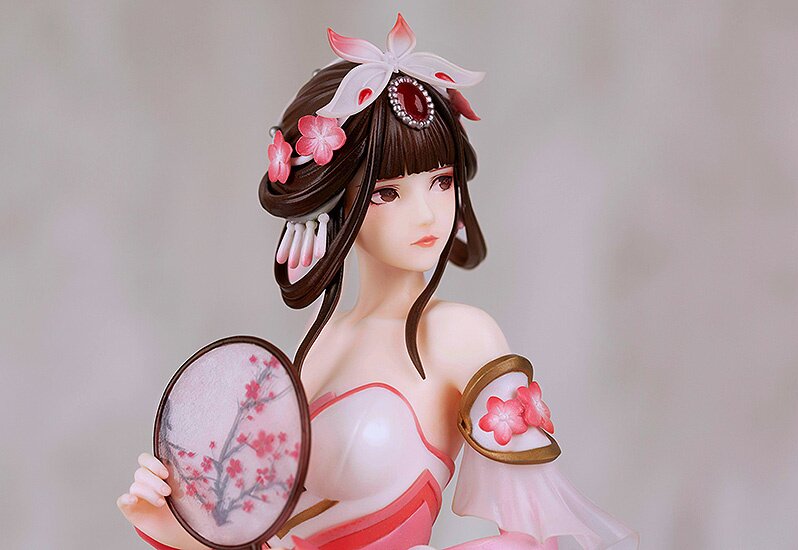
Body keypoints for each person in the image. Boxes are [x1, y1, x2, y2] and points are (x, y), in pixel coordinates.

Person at [117, 14, 638, 550]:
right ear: (331, 202)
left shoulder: (460, 337)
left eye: (441, 181)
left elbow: (535, 539)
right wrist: (173, 527)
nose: (427, 213)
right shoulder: (318, 345)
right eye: (388, 192)